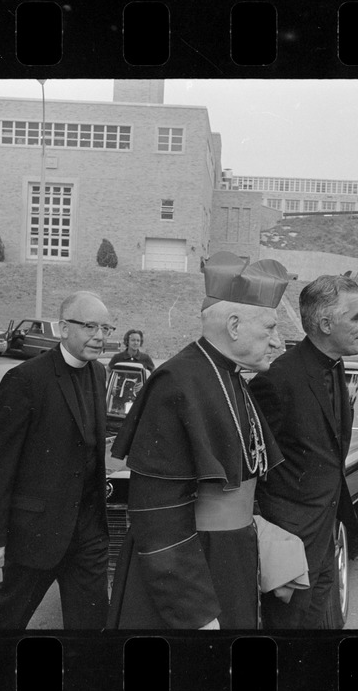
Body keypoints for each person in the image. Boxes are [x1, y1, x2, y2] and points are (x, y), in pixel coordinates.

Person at [106, 252, 292, 630]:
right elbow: (156, 516)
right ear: (235, 325)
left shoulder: (230, 375)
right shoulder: (178, 382)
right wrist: (197, 612)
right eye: (270, 328)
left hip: (225, 559)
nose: (279, 343)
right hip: (189, 580)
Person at [0, 291, 114, 629]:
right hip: (38, 533)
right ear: (64, 328)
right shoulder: (25, 379)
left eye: (106, 328)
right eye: (90, 326)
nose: (100, 336)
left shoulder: (99, 374)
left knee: (92, 624)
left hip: (88, 533)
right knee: (6, 619)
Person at [248, 275, 358, 629]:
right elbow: (250, 469)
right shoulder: (277, 380)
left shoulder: (336, 364)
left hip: (325, 533)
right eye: (357, 318)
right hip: (290, 547)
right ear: (325, 324)